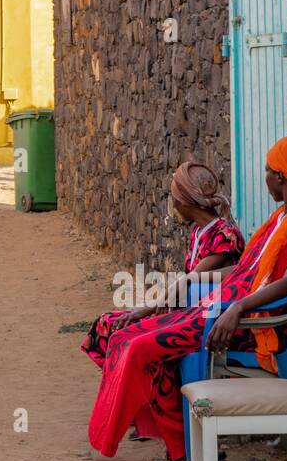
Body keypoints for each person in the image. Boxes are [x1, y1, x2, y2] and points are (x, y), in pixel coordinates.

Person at [87, 135, 287, 461]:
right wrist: (170, 297)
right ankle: (178, 448)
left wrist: (238, 309)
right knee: (127, 333)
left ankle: (179, 452)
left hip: (245, 324)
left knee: (139, 345)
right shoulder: (286, 216)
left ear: (282, 176)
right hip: (219, 309)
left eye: (267, 171)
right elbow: (248, 268)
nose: (263, 178)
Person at [82, 160, 244, 396]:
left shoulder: (224, 236)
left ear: (184, 202)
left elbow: (191, 282)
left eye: (174, 197)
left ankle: (145, 408)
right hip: (186, 308)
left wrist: (143, 311)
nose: (173, 203)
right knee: (106, 325)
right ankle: (139, 407)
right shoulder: (200, 232)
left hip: (202, 318)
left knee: (119, 331)